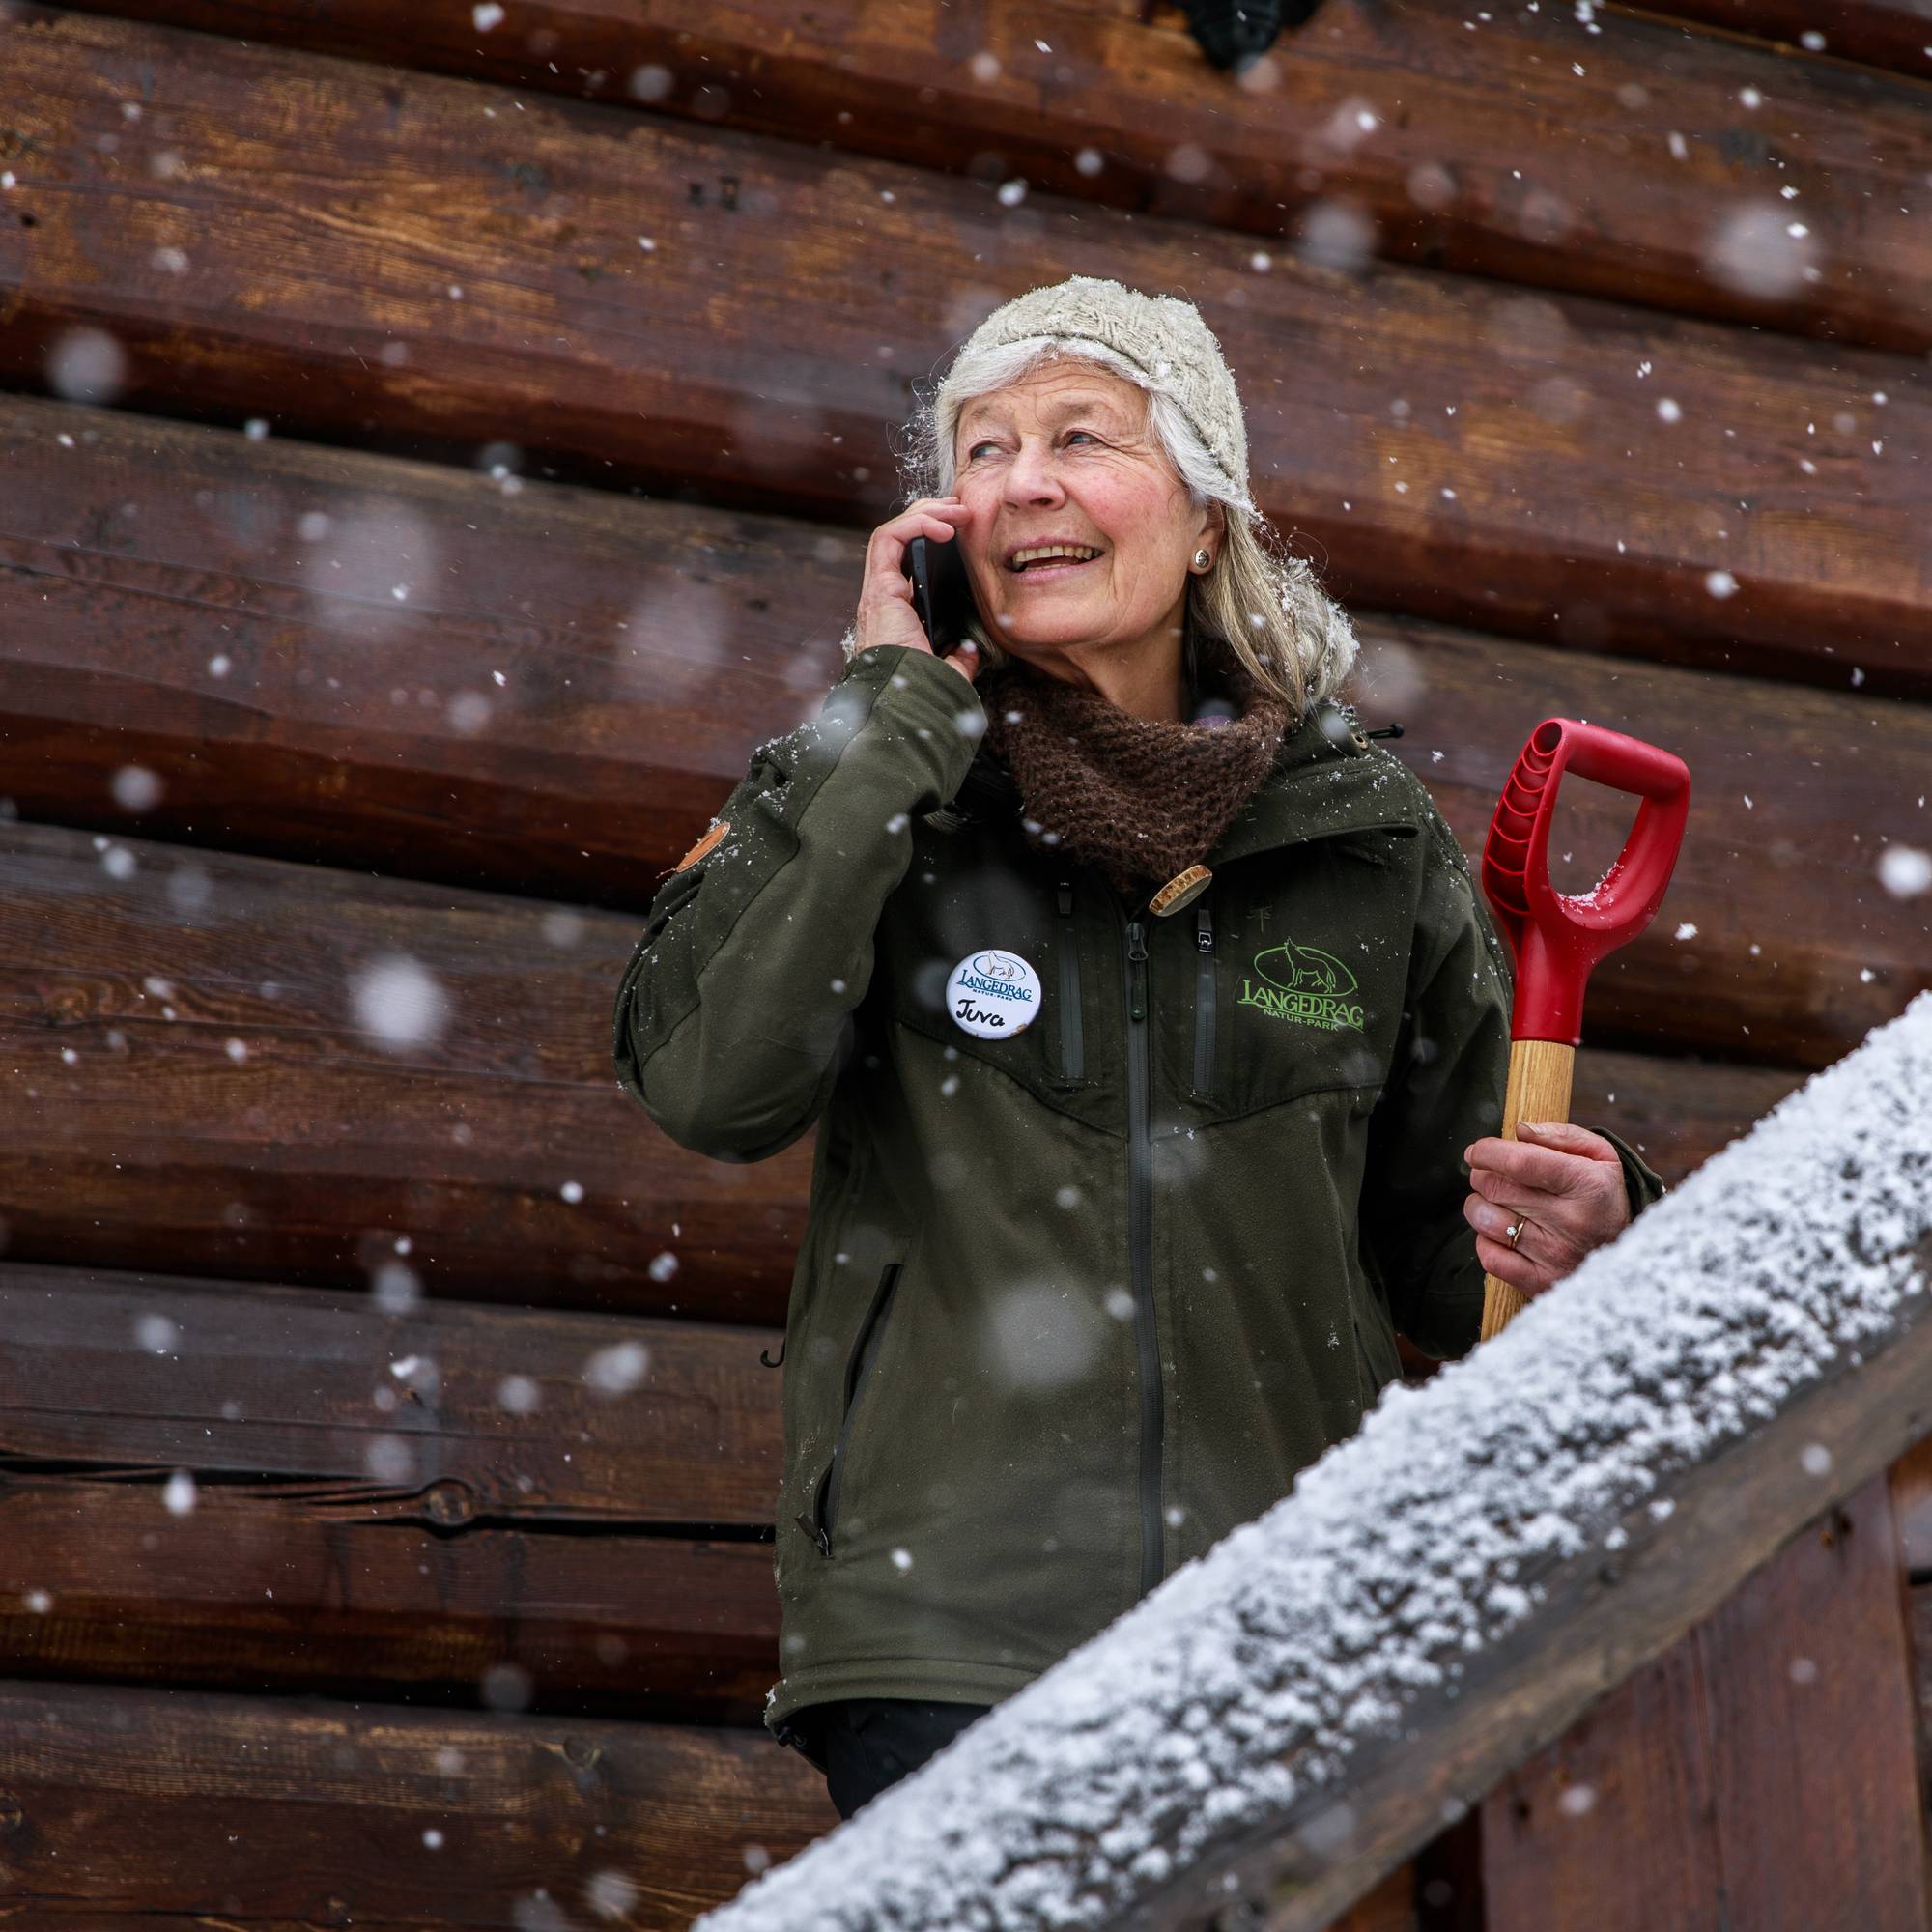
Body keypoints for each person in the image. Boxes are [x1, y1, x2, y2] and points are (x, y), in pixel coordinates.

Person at [611, 275, 1665, 1822]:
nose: (1020, 480)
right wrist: (883, 721)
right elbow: (710, 1084)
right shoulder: (875, 793)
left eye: (1081, 435)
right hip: (953, 1640)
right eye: (981, 449)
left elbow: (1457, 1256)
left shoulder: (1362, 842)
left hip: (1295, 1632)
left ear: (1209, 516)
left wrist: (1600, 1226)